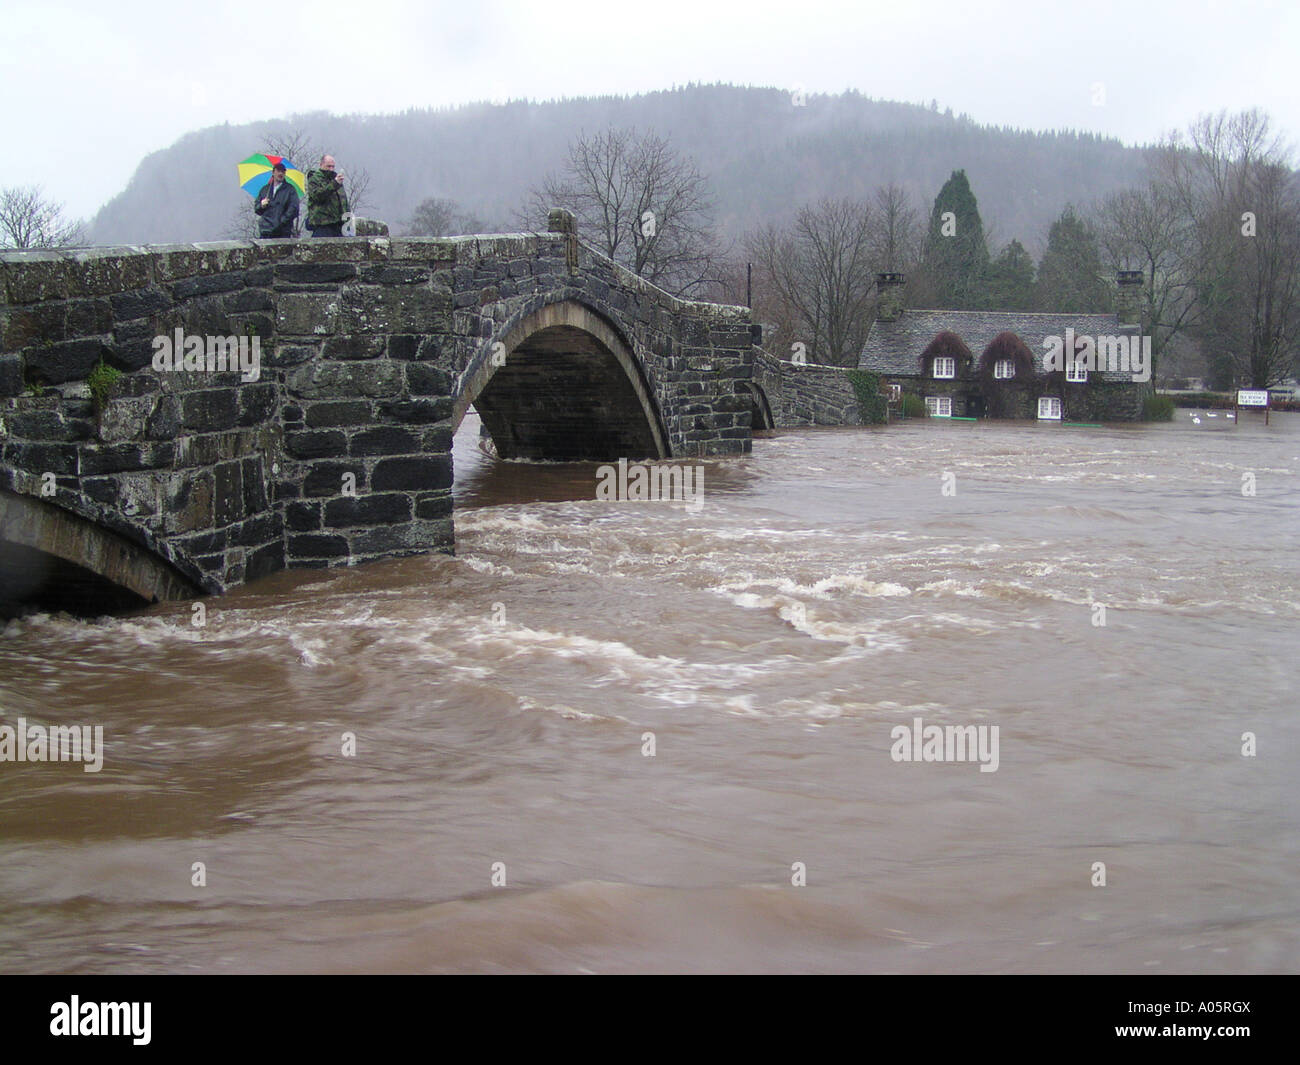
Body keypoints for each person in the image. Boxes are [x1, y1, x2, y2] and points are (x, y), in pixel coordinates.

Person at [306, 154, 350, 237]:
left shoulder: (336, 180)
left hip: (338, 225)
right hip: (322, 224)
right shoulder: (314, 179)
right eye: (328, 166)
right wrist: (334, 184)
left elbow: (343, 201)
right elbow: (318, 196)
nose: (331, 169)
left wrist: (348, 218)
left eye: (333, 167)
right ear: (321, 165)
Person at [253, 161, 299, 238]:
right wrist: (261, 205)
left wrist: (281, 223)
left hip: (282, 232)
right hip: (265, 231)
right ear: (273, 173)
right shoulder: (265, 189)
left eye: (283, 171)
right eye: (278, 171)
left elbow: (294, 209)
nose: (280, 174)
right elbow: (257, 209)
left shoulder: (290, 190)